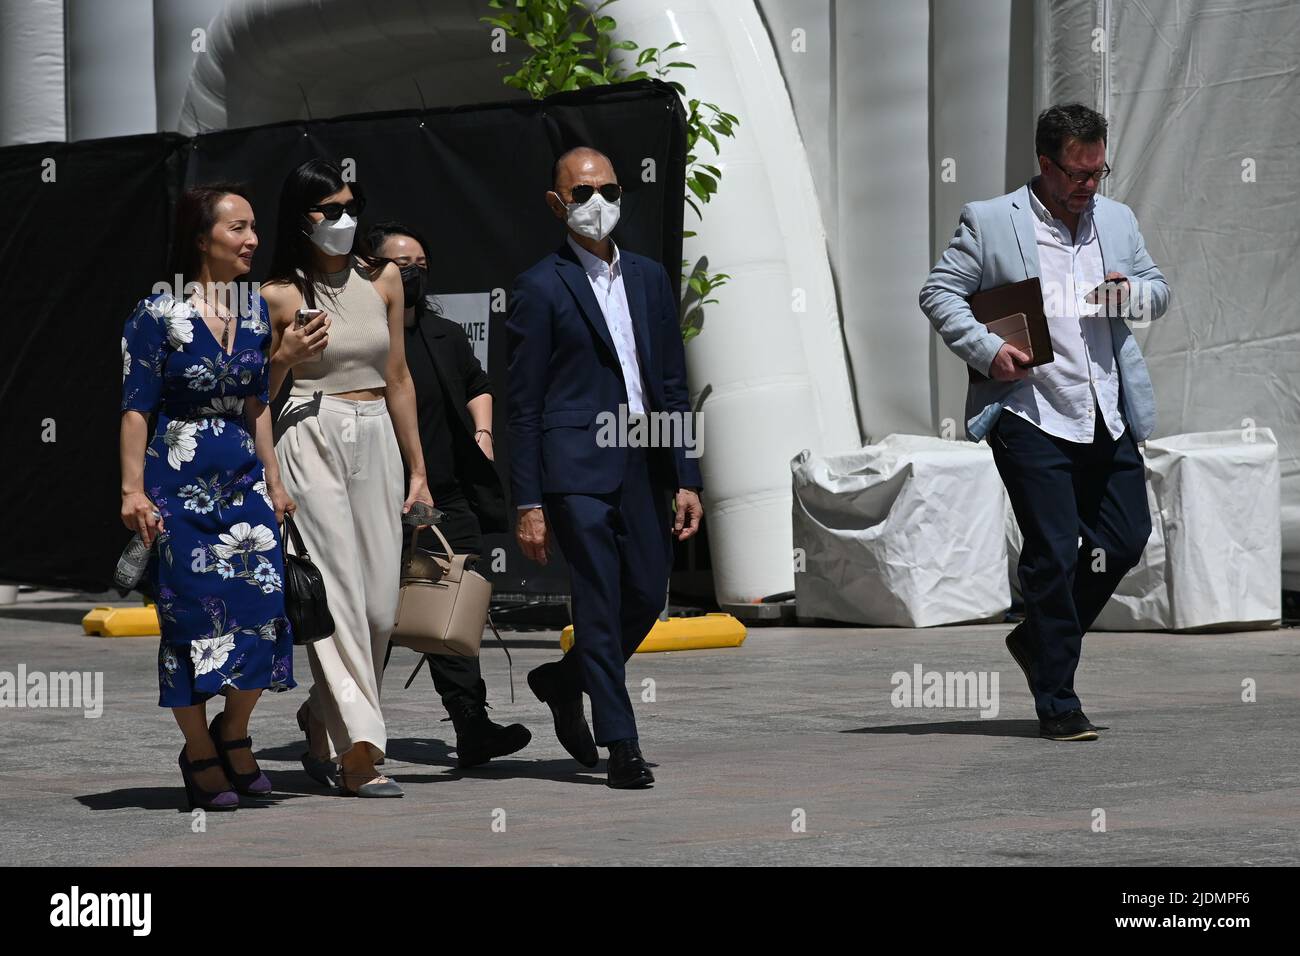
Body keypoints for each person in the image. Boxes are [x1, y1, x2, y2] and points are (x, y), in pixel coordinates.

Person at [919, 103, 1171, 741]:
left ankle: (1038, 639)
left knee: (1124, 538)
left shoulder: (1115, 219)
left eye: (1098, 171)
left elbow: (1157, 287)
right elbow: (939, 293)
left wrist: (1131, 293)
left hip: (1106, 407)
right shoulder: (990, 220)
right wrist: (986, 349)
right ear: (1045, 164)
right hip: (1031, 410)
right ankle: (1058, 699)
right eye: (1077, 173)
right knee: (1055, 553)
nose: (1089, 185)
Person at [506, 146, 704, 788]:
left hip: (646, 462)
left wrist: (687, 475)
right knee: (597, 600)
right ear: (555, 203)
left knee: (646, 595)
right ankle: (623, 745)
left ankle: (564, 679)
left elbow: (673, 383)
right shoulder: (540, 286)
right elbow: (524, 406)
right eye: (584, 193)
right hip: (576, 471)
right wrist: (529, 502)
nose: (599, 205)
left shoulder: (648, 277)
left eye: (610, 191)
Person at [119, 183, 296, 810]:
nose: (252, 240)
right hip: (177, 489)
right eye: (237, 228)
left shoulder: (255, 309)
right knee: (190, 622)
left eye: (254, 227)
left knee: (263, 611)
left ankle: (236, 732)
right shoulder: (156, 313)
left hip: (244, 485)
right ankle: (199, 752)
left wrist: (275, 481)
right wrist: (132, 490)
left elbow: (258, 404)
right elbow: (136, 409)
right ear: (202, 238)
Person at [262, 159, 434, 796]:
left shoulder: (383, 279)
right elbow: (259, 395)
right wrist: (284, 358)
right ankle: (360, 749)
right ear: (300, 219)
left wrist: (420, 470)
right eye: (328, 210)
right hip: (309, 434)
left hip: (377, 437)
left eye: (350, 206)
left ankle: (319, 714)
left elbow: (399, 378)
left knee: (380, 610)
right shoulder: (278, 294)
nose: (343, 220)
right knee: (335, 601)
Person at [368, 220, 531, 767]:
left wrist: (481, 435)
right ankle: (334, 717)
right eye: (400, 264)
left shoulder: (445, 335)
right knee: (376, 616)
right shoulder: (364, 340)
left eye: (421, 265)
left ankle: (472, 725)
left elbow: (478, 385)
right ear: (372, 270)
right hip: (378, 496)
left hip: (446, 498)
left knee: (450, 609)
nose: (412, 273)